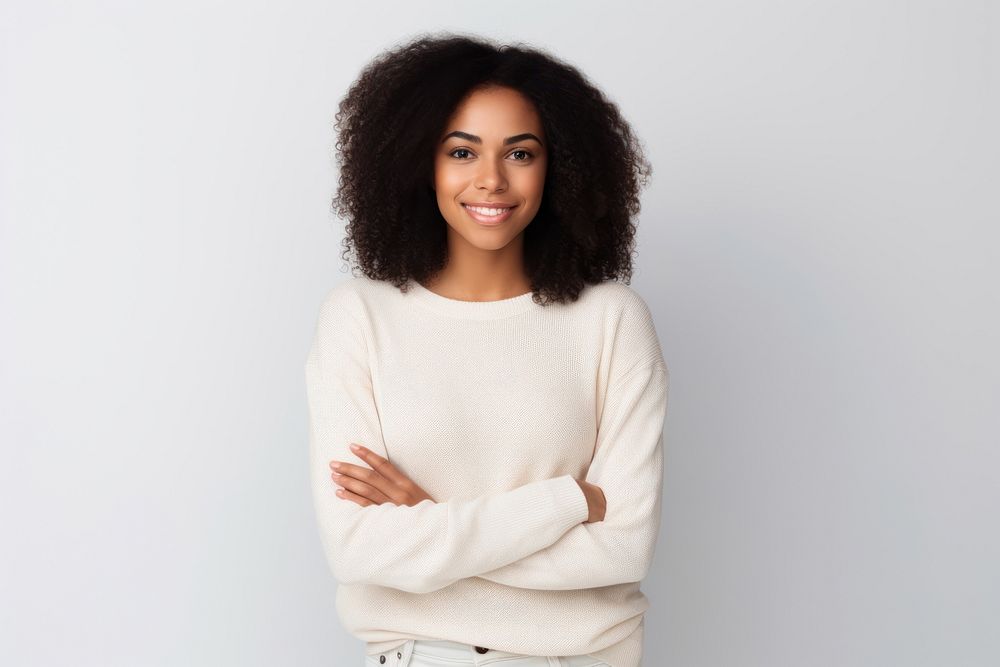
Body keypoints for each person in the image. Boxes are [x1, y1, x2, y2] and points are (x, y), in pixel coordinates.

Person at [305, 32, 670, 667]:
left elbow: (623, 547)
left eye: (521, 153)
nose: (491, 180)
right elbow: (359, 547)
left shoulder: (611, 322)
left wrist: (428, 523)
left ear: (560, 166)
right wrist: (567, 502)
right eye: (461, 151)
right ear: (422, 162)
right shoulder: (360, 319)